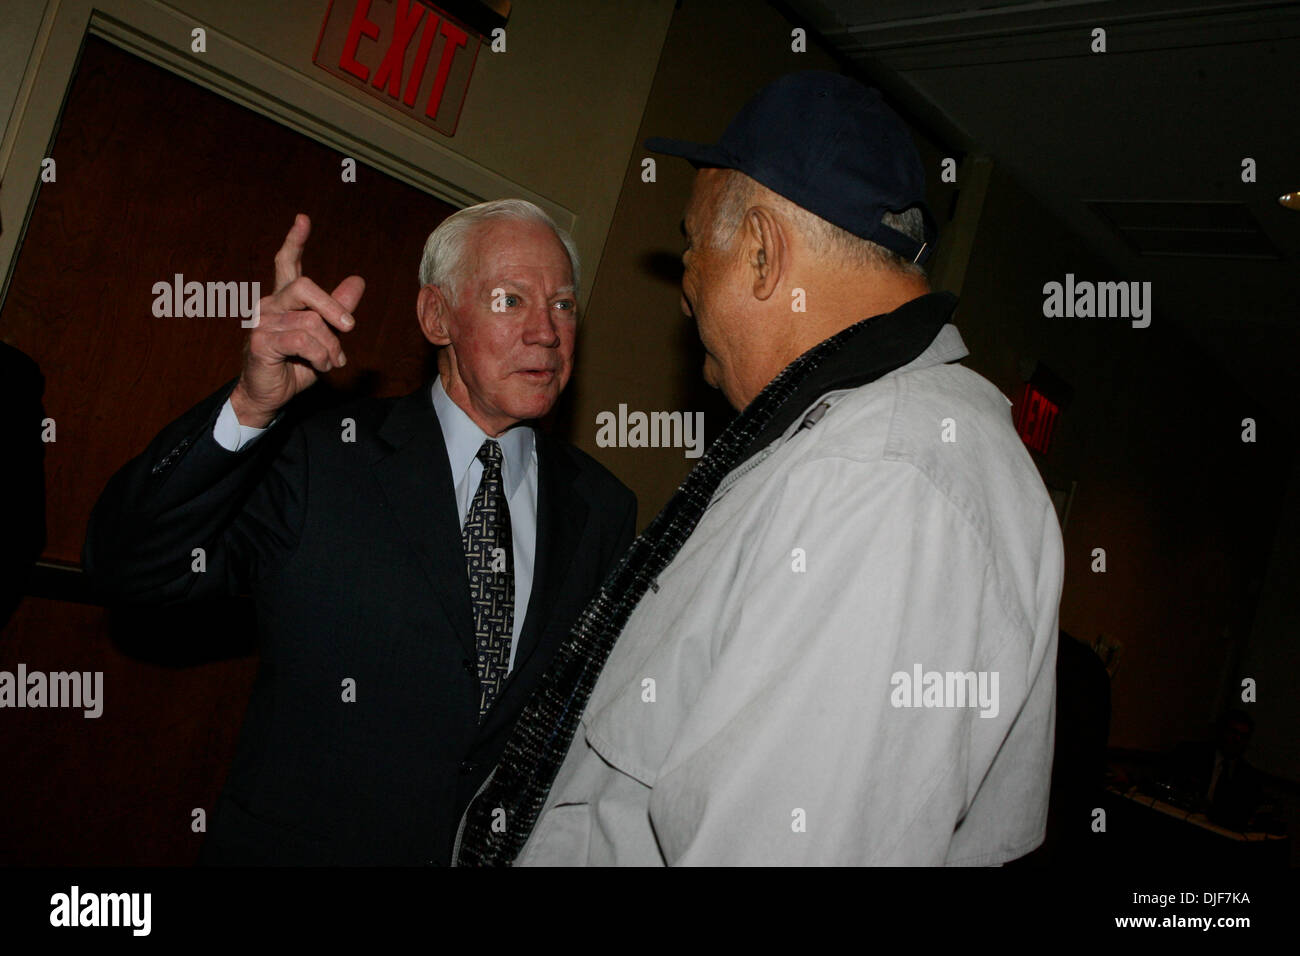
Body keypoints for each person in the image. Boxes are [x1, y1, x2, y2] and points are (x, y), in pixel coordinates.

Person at [456, 72, 1063, 866]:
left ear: (761, 251)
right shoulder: (833, 445)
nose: (685, 292)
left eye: (690, 247)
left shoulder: (886, 483)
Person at [84, 200, 637, 865]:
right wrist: (250, 406)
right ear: (437, 317)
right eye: (511, 299)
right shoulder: (325, 458)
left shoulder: (603, 509)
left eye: (565, 306)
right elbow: (130, 566)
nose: (546, 332)